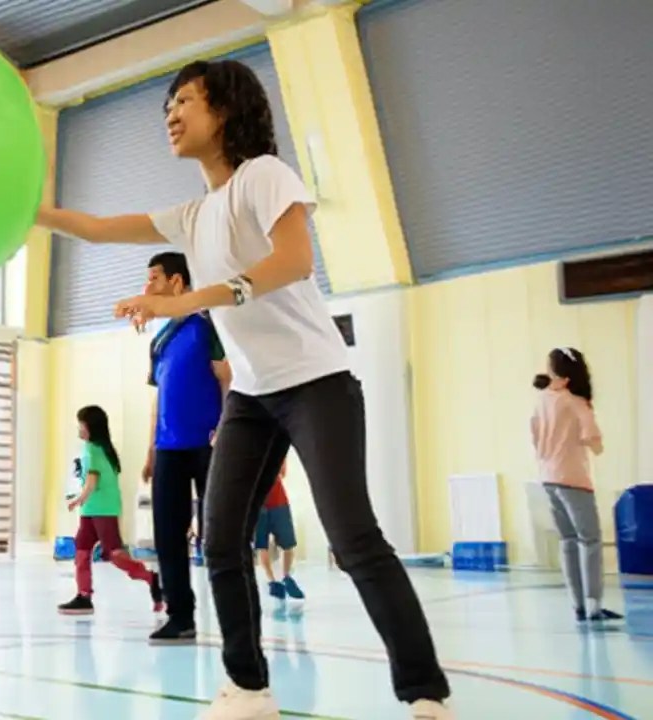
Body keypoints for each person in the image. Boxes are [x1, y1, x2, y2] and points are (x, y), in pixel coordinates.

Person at [36, 59, 452, 719]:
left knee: (352, 538)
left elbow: (293, 261)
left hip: (317, 382)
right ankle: (249, 689)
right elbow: (95, 227)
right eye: (167, 104)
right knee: (220, 540)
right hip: (252, 400)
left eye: (185, 101)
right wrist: (24, 210)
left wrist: (189, 301)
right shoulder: (191, 215)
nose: (171, 114)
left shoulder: (264, 175)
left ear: (224, 110)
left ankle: (426, 694)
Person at [141, 251, 230, 644]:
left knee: (222, 536)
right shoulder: (160, 340)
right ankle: (180, 616)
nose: (148, 288)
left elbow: (227, 378)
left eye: (155, 279)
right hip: (169, 450)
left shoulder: (208, 324)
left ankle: (234, 620)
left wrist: (227, 430)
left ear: (177, 282)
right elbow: (158, 398)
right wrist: (151, 450)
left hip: (208, 446)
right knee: (167, 536)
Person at [530, 347, 622, 623]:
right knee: (590, 540)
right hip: (573, 479)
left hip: (547, 478)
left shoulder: (541, 400)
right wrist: (595, 445)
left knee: (568, 540)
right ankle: (594, 605)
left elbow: (534, 437)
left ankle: (577, 603)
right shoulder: (575, 402)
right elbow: (594, 442)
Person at [59, 405, 163, 616]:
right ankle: (84, 596)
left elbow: (92, 482)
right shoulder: (102, 448)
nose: (79, 428)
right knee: (81, 549)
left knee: (114, 554)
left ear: (90, 427)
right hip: (92, 510)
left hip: (102, 509)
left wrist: (77, 500)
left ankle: (151, 578)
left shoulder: (93, 450)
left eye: (81, 424)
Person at [254, 459, 304, 611]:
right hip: (260, 503)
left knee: (286, 543)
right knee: (261, 544)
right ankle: (274, 581)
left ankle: (285, 576)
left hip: (277, 502)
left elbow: (282, 473)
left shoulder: (278, 452)